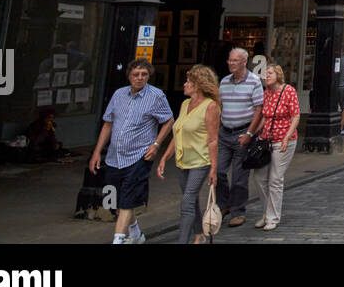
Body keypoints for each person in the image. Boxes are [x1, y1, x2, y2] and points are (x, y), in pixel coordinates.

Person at [89, 59, 174, 244]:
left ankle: (118, 240)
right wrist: (97, 152)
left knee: (128, 200)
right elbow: (108, 124)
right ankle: (136, 235)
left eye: (144, 74)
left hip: (139, 156)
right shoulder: (119, 94)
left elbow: (169, 120)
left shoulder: (156, 96)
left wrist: (157, 145)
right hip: (114, 156)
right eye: (136, 74)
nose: (140, 78)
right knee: (117, 203)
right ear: (129, 76)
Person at [156, 65, 219, 243]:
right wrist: (164, 157)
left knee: (186, 203)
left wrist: (213, 168)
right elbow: (178, 133)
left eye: (188, 82)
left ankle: (183, 240)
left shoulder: (211, 106)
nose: (184, 85)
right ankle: (199, 234)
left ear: (198, 85)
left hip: (201, 161)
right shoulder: (185, 104)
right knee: (190, 200)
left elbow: (213, 139)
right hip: (183, 161)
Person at [216, 47, 264, 228]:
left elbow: (259, 110)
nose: (231, 63)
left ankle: (238, 210)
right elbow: (219, 106)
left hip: (243, 133)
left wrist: (250, 134)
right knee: (218, 171)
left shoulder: (254, 81)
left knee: (239, 176)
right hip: (225, 133)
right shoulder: (224, 81)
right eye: (230, 60)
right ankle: (223, 204)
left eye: (235, 60)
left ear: (244, 62)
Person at [250, 62, 298, 231]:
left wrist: (286, 138)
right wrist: (252, 134)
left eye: (269, 73)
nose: (266, 76)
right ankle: (266, 212)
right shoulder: (267, 93)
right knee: (260, 177)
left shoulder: (289, 91)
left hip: (284, 141)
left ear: (278, 74)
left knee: (275, 179)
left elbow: (295, 117)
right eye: (265, 74)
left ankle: (273, 217)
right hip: (266, 141)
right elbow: (264, 117)